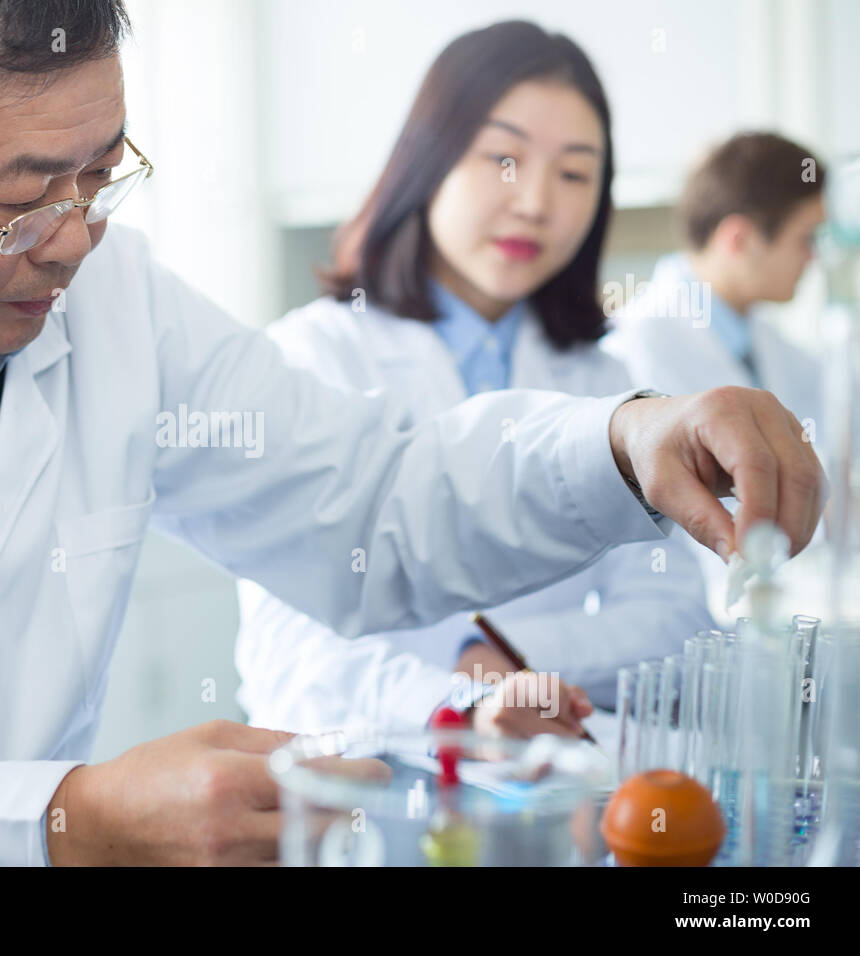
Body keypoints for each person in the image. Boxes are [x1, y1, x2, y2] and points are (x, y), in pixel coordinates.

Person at [0, 1, 824, 866]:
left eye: (101, 170)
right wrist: (61, 822)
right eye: (18, 194)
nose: (73, 234)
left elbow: (371, 506)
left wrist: (621, 443)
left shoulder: (113, 302)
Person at [235, 21, 715, 741]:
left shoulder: (604, 380)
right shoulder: (314, 356)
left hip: (556, 790)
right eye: (504, 159)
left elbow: (674, 620)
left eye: (576, 173)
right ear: (428, 159)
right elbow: (294, 651)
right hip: (365, 790)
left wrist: (500, 664)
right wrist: (464, 695)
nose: (537, 202)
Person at [604, 132, 828, 618]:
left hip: (770, 614)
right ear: (740, 239)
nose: (814, 258)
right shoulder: (634, 346)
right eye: (805, 239)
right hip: (685, 623)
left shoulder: (768, 342)